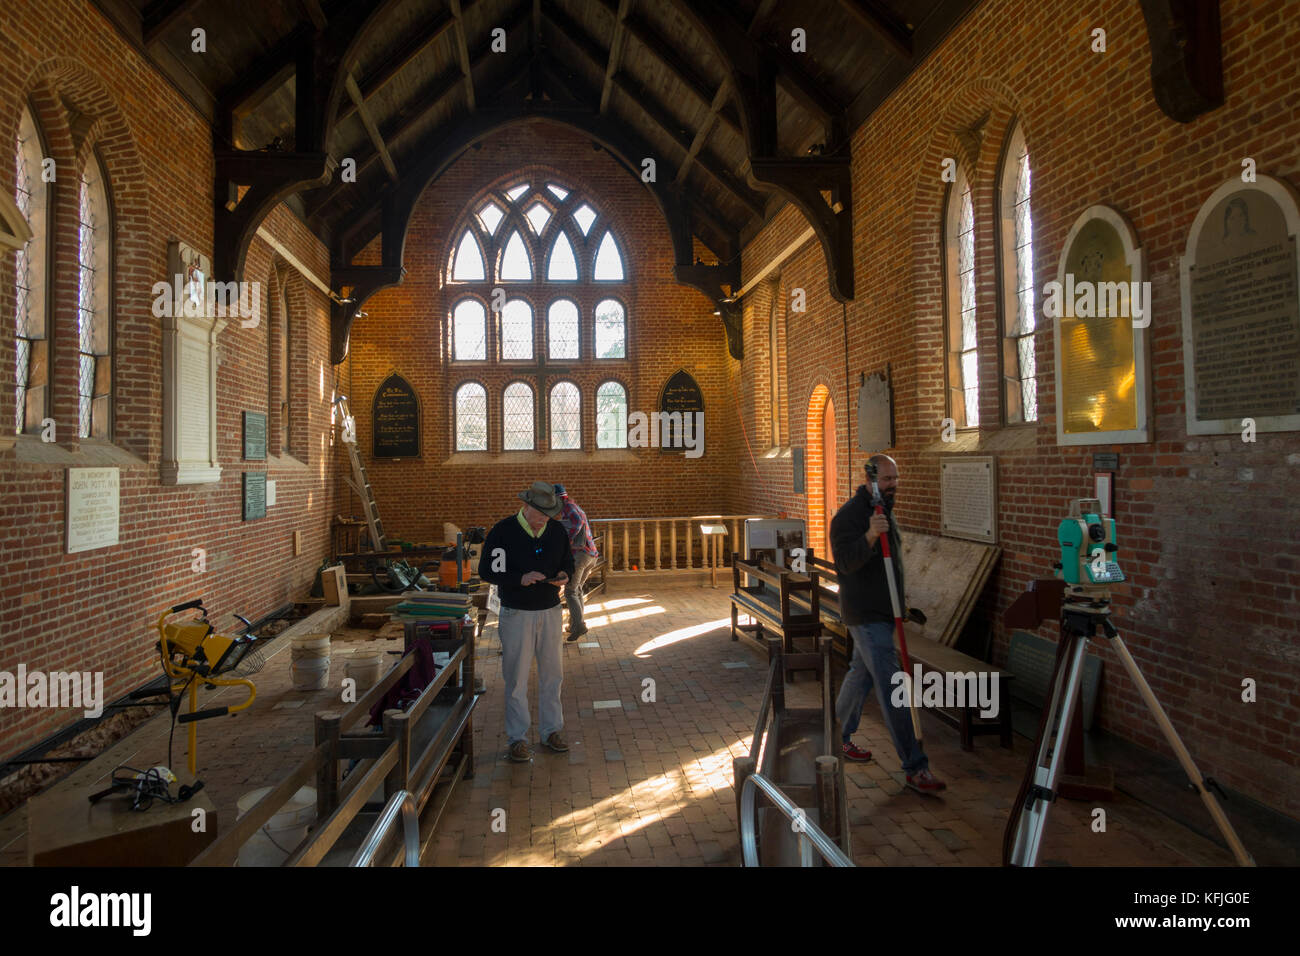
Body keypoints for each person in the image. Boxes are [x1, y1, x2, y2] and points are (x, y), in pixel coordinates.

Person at [831, 455, 946, 794]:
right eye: (886, 480)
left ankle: (834, 736)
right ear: (869, 481)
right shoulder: (849, 518)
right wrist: (869, 535)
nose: (893, 485)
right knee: (894, 685)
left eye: (896, 478)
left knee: (860, 674)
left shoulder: (886, 512)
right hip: (865, 616)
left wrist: (900, 604)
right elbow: (846, 563)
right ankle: (915, 767)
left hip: (883, 612)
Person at [478, 481, 575, 763]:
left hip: (550, 610)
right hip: (517, 612)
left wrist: (565, 574)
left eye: (550, 512)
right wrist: (519, 578)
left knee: (552, 675)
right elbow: (488, 570)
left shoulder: (556, 531)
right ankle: (517, 739)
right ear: (527, 506)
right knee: (517, 677)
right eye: (541, 511)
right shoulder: (503, 531)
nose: (546, 517)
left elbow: (568, 561)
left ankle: (552, 731)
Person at [554, 484, 600, 642]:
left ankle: (579, 625)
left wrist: (567, 540)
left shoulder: (569, 508)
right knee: (577, 590)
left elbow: (577, 522)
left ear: (558, 498)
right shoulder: (574, 506)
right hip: (590, 555)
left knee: (570, 591)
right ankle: (574, 624)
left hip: (581, 555)